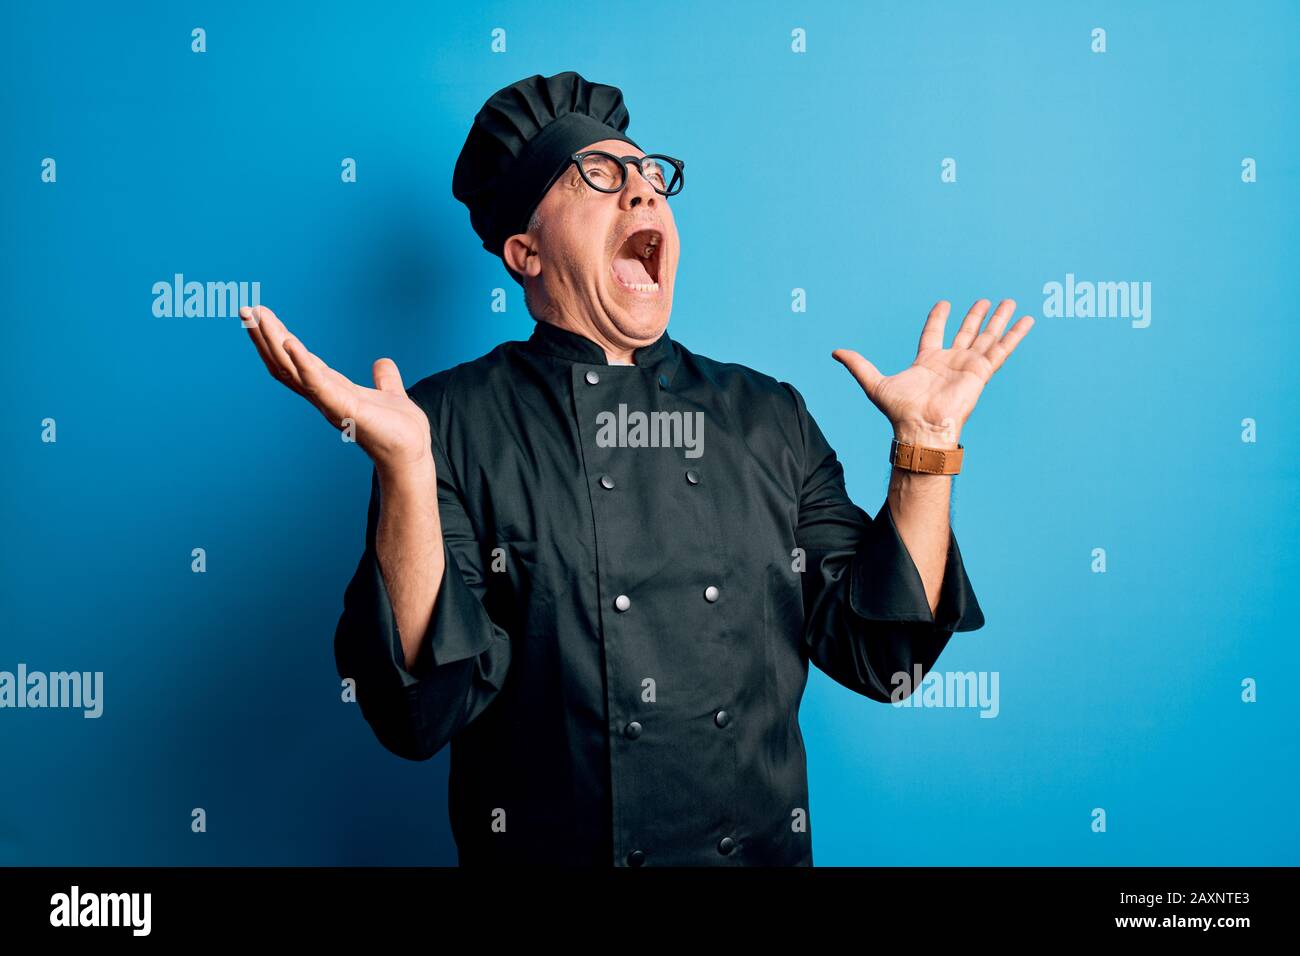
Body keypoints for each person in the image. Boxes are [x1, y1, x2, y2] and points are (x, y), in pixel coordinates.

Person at [239, 71, 1033, 866]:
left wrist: (926, 454)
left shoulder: (767, 415)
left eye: (652, 176)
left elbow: (882, 656)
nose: (644, 194)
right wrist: (408, 472)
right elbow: (422, 715)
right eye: (599, 176)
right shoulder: (447, 421)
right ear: (526, 253)